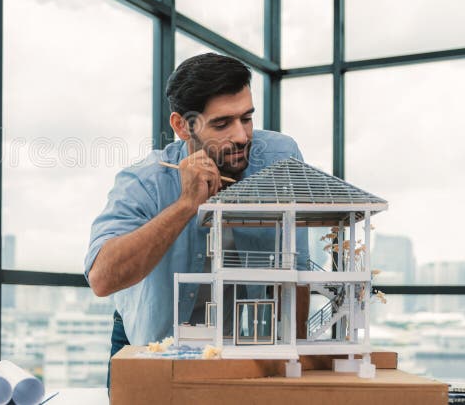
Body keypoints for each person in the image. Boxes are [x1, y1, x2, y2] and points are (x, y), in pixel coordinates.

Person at [84, 53, 309, 387]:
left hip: (232, 344)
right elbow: (102, 279)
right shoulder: (145, 180)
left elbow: (297, 270)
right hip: (148, 340)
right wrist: (186, 205)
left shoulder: (278, 158)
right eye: (222, 124)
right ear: (181, 126)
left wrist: (296, 362)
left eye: (246, 118)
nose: (242, 136)